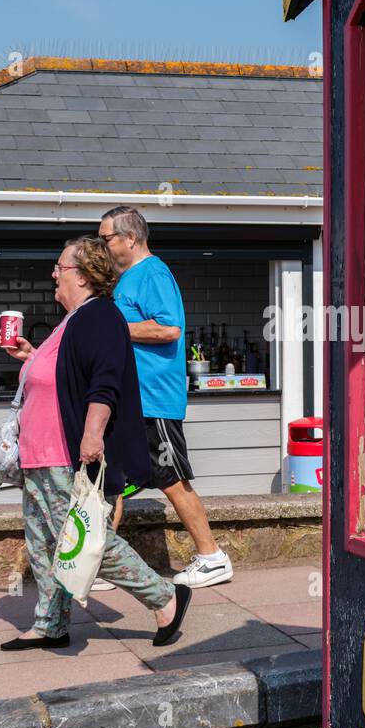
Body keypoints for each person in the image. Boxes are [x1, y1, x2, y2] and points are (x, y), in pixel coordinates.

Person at [0, 236, 190, 650]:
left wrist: (91, 436)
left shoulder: (101, 315)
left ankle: (165, 596)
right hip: (39, 454)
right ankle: (50, 624)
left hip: (63, 452)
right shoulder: (71, 321)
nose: (53, 273)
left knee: (86, 542)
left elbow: (105, 384)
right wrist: (32, 356)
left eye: (60, 267)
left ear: (83, 276)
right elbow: (62, 376)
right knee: (44, 543)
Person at [96, 205, 234, 588]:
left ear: (130, 238)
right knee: (110, 481)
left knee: (171, 478)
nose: (101, 245)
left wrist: (115, 325)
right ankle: (103, 562)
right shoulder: (127, 279)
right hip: (130, 400)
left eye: (105, 238)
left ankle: (212, 558)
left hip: (154, 399)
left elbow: (169, 329)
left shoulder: (152, 273)